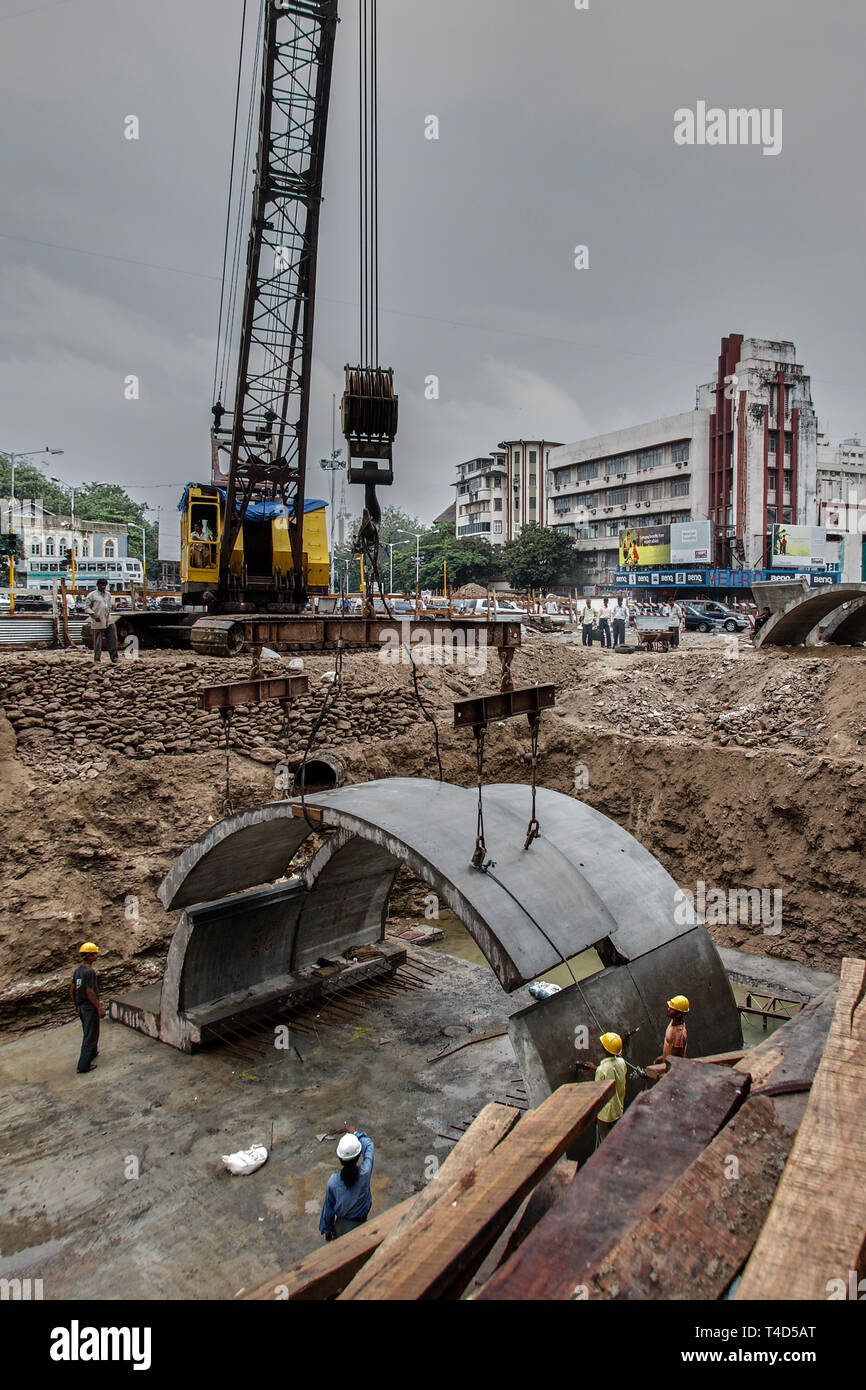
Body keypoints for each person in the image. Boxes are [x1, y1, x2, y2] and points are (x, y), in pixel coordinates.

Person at [319, 1128, 375, 1240]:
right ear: (359, 1155)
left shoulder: (333, 1182)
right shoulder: (365, 1173)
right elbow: (369, 1145)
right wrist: (355, 1133)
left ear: (340, 1159)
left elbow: (328, 1209)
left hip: (341, 1227)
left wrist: (327, 1230)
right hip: (362, 1223)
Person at [71, 942, 105, 1074]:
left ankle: (92, 1053)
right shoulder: (89, 972)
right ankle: (84, 1065)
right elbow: (89, 991)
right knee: (90, 1035)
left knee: (89, 1031)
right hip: (89, 1007)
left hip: (81, 1006)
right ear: (89, 955)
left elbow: (73, 988)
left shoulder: (78, 970)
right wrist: (99, 1008)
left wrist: (75, 1004)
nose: (97, 955)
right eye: (95, 953)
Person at [84, 578, 118, 663]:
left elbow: (109, 605)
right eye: (102, 585)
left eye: (104, 586)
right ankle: (97, 659)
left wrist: (115, 605)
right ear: (98, 585)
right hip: (97, 620)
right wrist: (93, 614)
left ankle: (114, 658)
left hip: (108, 619)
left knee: (112, 639)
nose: (103, 587)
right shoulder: (92, 595)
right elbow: (86, 608)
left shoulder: (108, 594)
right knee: (97, 641)